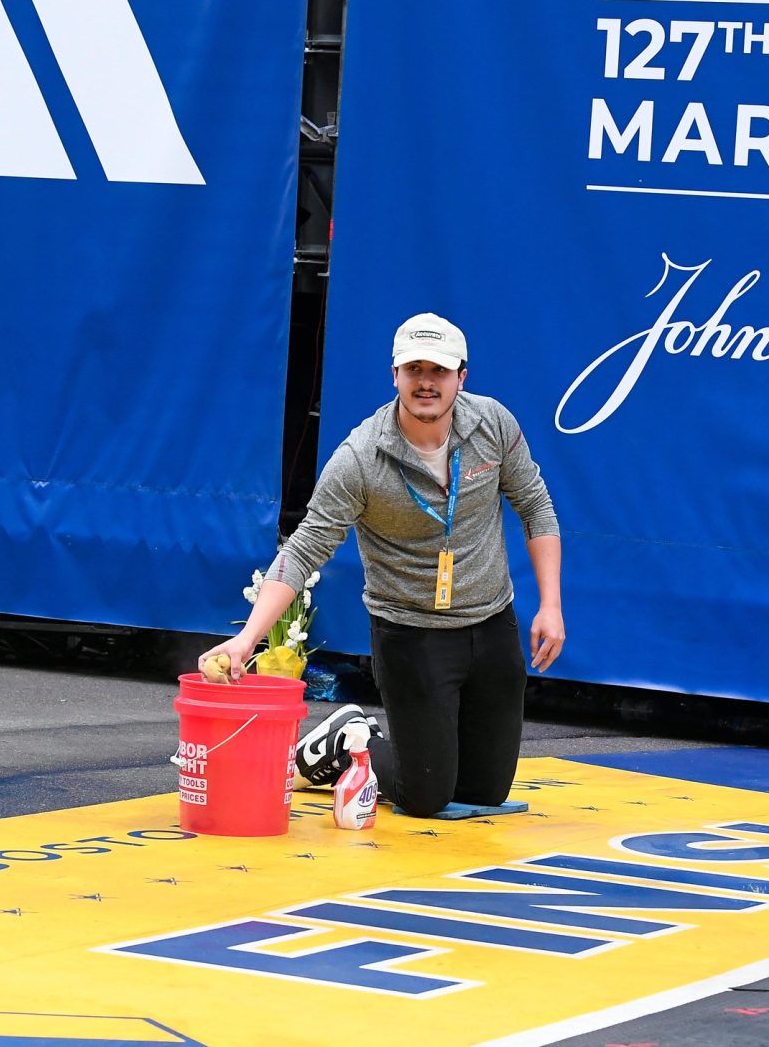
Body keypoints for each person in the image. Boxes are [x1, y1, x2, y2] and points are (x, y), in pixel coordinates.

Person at [200, 312, 564, 818]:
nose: (426, 382)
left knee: (484, 794)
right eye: (413, 369)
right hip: (411, 633)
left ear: (462, 376)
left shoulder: (494, 424)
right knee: (425, 798)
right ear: (395, 375)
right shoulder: (360, 458)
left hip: (491, 622)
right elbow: (305, 548)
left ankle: (393, 747)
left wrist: (550, 605)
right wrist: (247, 640)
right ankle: (349, 742)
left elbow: (536, 506)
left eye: (438, 371)